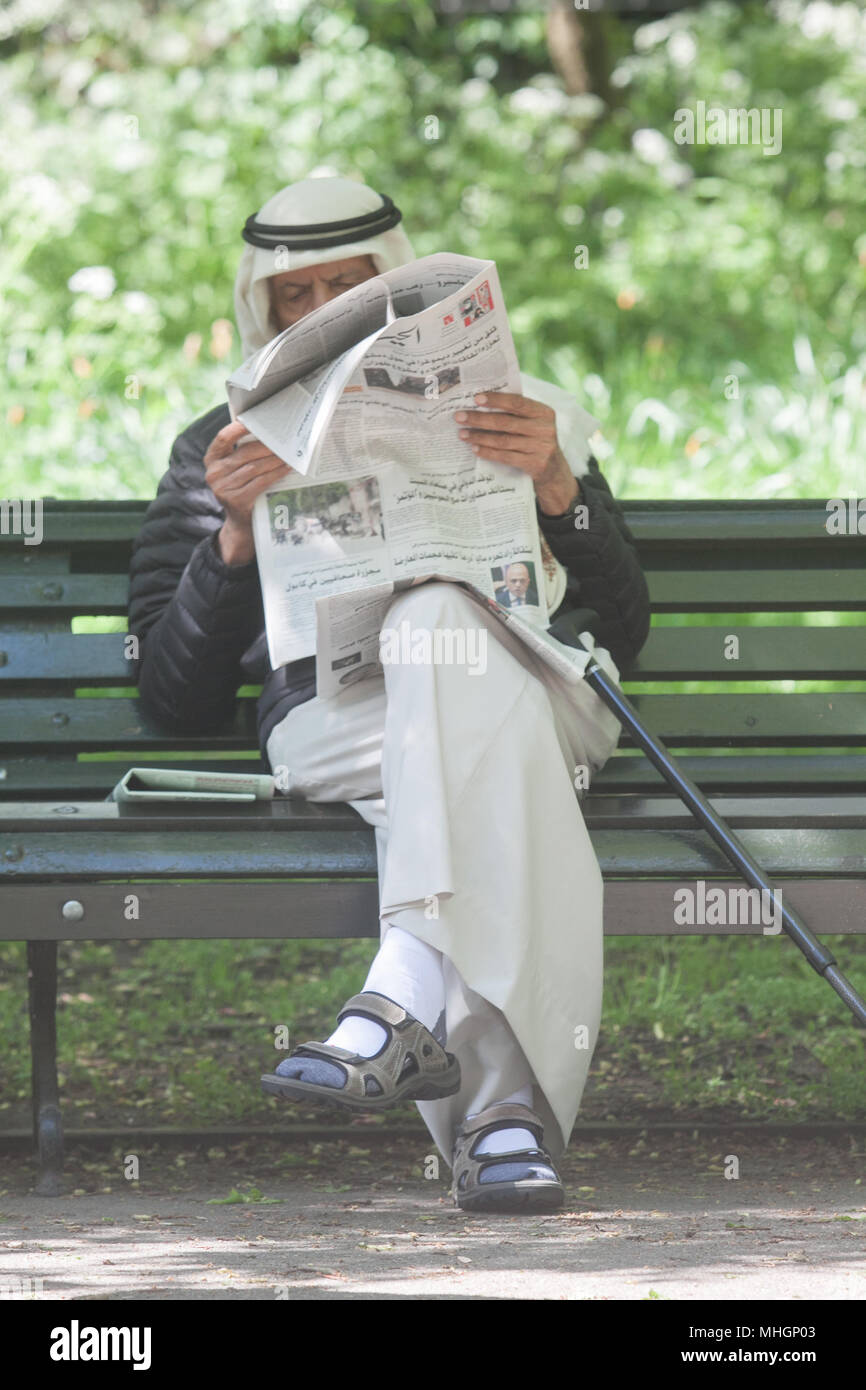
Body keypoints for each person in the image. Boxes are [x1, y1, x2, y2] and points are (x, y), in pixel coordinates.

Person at [127, 176, 651, 1212]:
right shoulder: (217, 448)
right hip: (342, 722)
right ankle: (501, 1118)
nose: (319, 305)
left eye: (347, 284)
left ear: (395, 288)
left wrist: (557, 490)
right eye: (295, 293)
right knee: (468, 729)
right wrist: (231, 536)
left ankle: (403, 991)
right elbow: (174, 696)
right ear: (263, 309)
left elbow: (620, 624)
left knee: (440, 626)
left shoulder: (520, 411)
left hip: (549, 698)